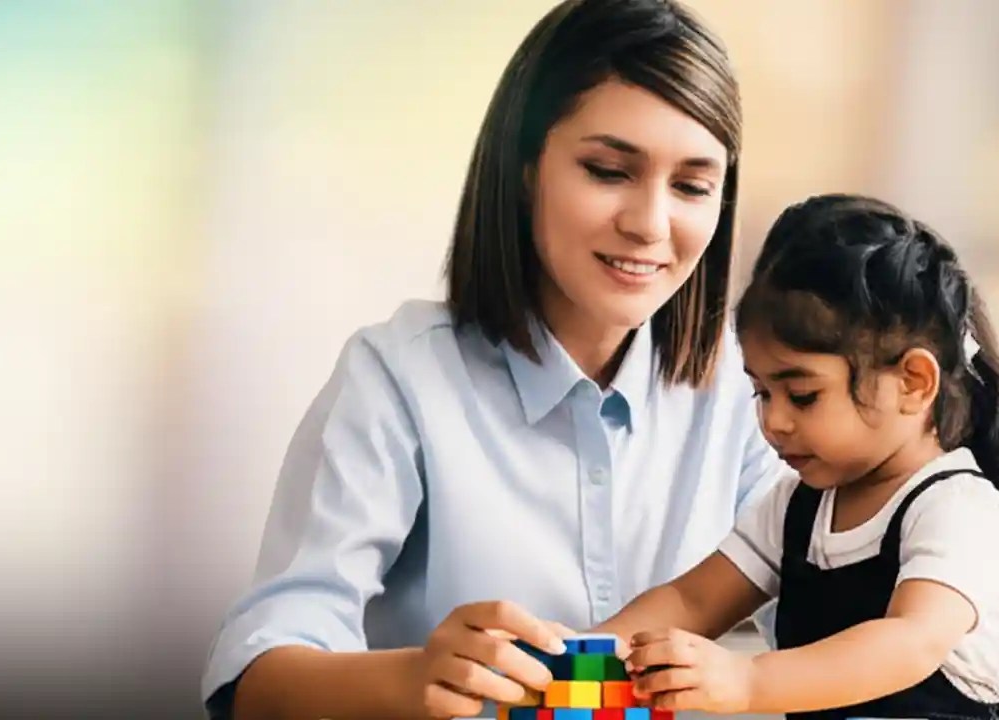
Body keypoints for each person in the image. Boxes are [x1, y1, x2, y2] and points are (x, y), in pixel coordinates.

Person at [200, 1, 786, 718]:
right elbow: (255, 680)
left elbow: (825, 601)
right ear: (523, 166)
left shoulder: (750, 387)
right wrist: (415, 679)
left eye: (693, 186)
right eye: (607, 170)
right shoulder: (399, 379)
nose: (650, 224)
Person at [600, 194, 999, 719]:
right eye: (761, 393)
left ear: (913, 383)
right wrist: (582, 656)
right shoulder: (794, 508)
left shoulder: (959, 508)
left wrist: (747, 680)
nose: (774, 421)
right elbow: (692, 601)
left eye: (802, 395)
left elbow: (909, 642)